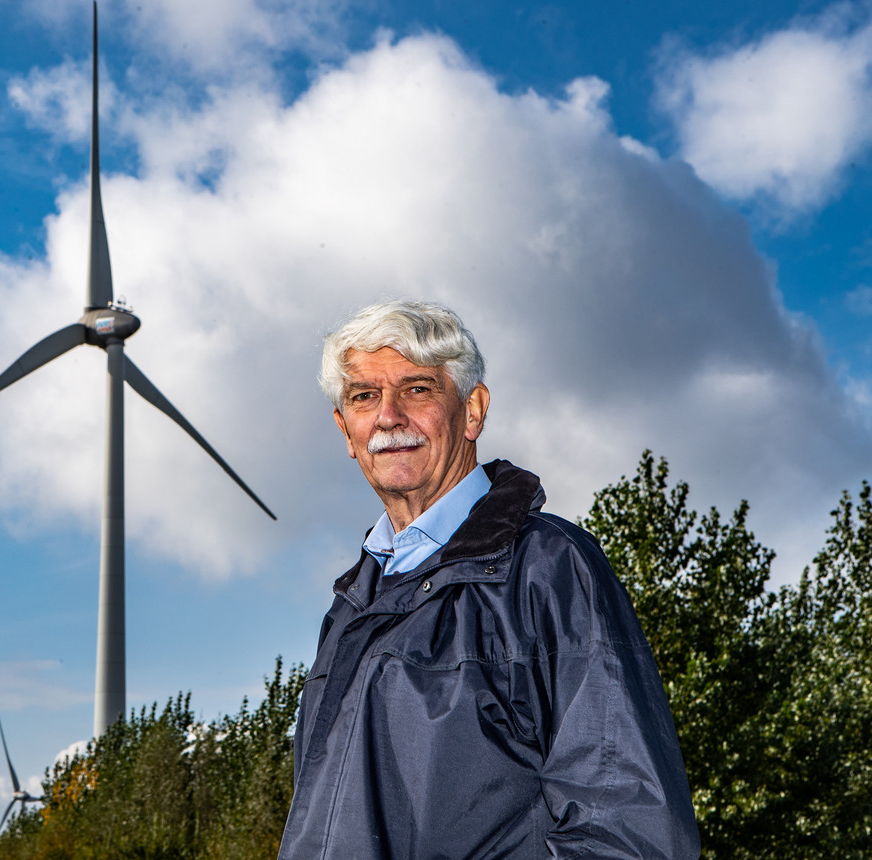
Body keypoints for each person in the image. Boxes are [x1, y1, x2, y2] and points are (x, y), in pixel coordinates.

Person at [279, 301, 699, 859]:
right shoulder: (354, 602)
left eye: (418, 389)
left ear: (472, 410)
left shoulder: (547, 568)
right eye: (364, 396)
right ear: (345, 428)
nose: (388, 417)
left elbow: (629, 830)